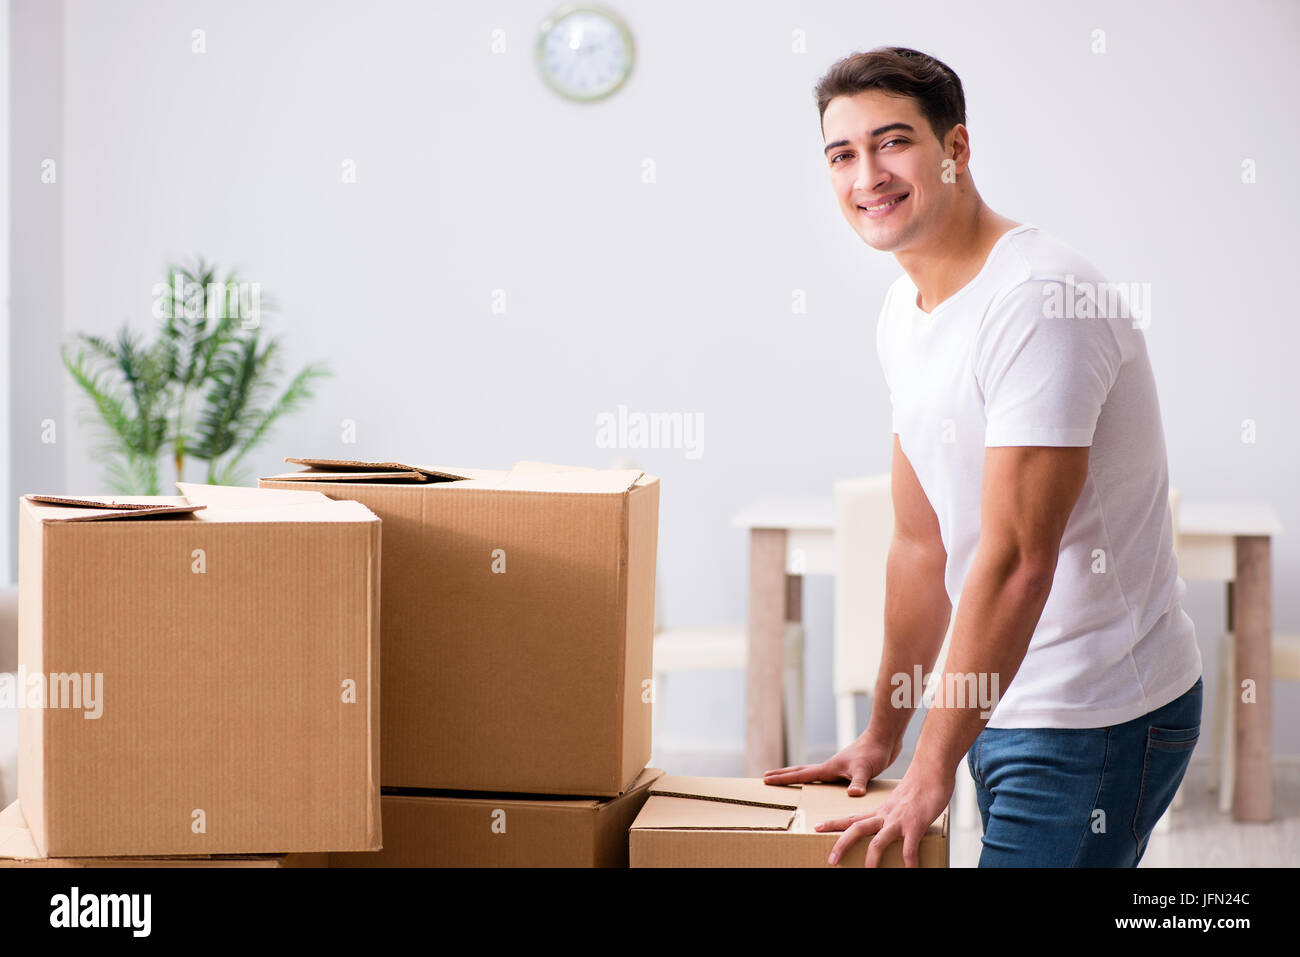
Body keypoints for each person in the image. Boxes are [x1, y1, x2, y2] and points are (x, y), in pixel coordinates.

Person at [763, 46, 1203, 867]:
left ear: (955, 150)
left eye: (893, 143)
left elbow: (1016, 562)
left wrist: (929, 769)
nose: (868, 175)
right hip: (999, 695)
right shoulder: (908, 308)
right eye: (842, 153)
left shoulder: (1039, 302)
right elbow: (920, 542)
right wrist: (886, 733)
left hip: (1092, 710)